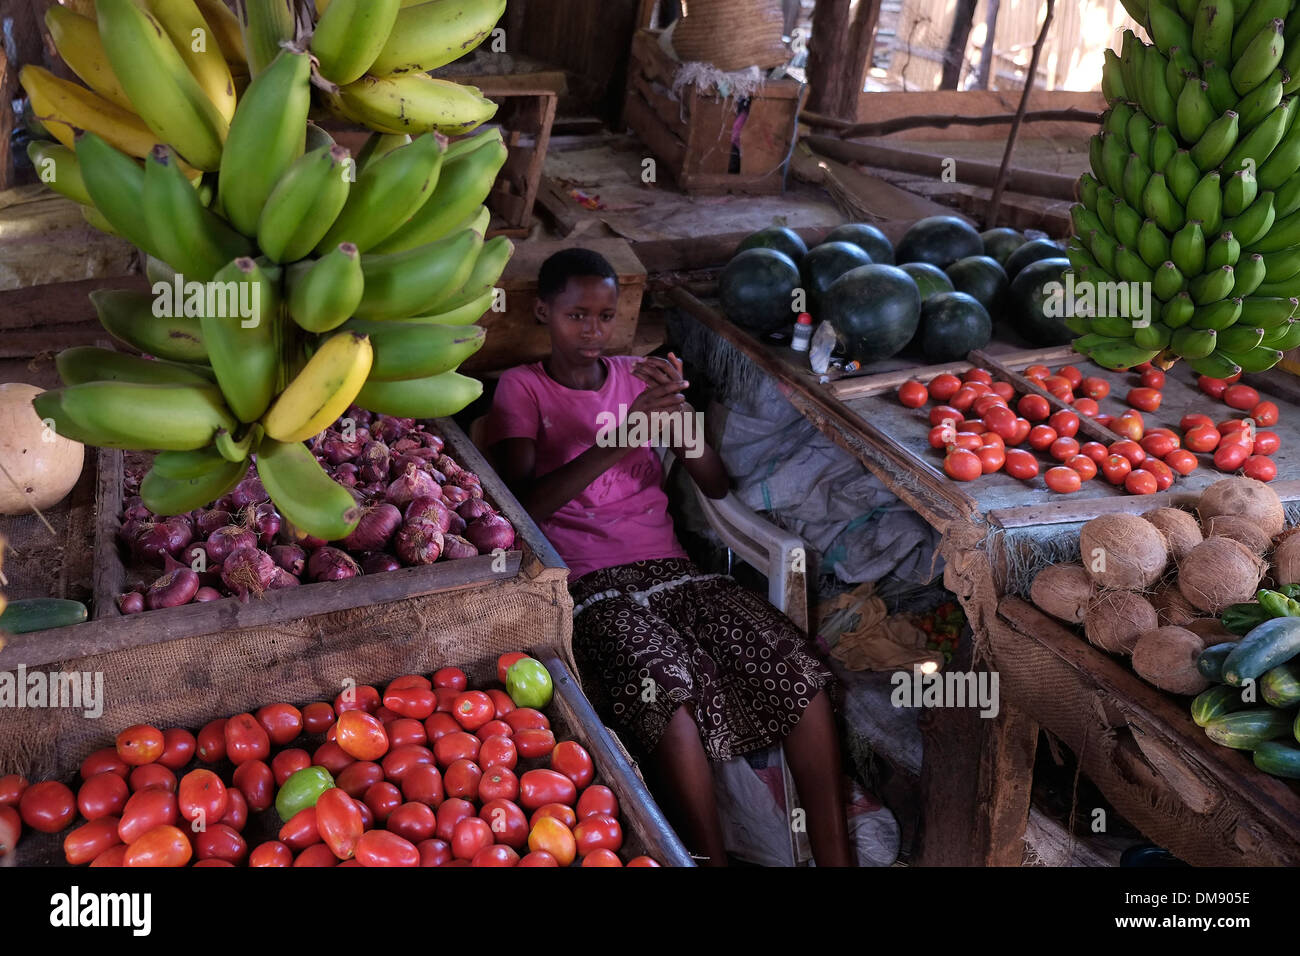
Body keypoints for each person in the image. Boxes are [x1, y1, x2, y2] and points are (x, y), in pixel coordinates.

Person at [483, 248, 853, 866]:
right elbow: (522, 507)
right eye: (577, 315)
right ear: (544, 311)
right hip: (586, 585)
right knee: (667, 695)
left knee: (798, 674)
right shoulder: (523, 388)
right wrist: (622, 437)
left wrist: (680, 421)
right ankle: (702, 859)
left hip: (674, 573)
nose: (593, 331)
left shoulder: (640, 378)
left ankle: (836, 858)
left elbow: (711, 483)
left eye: (606, 316)